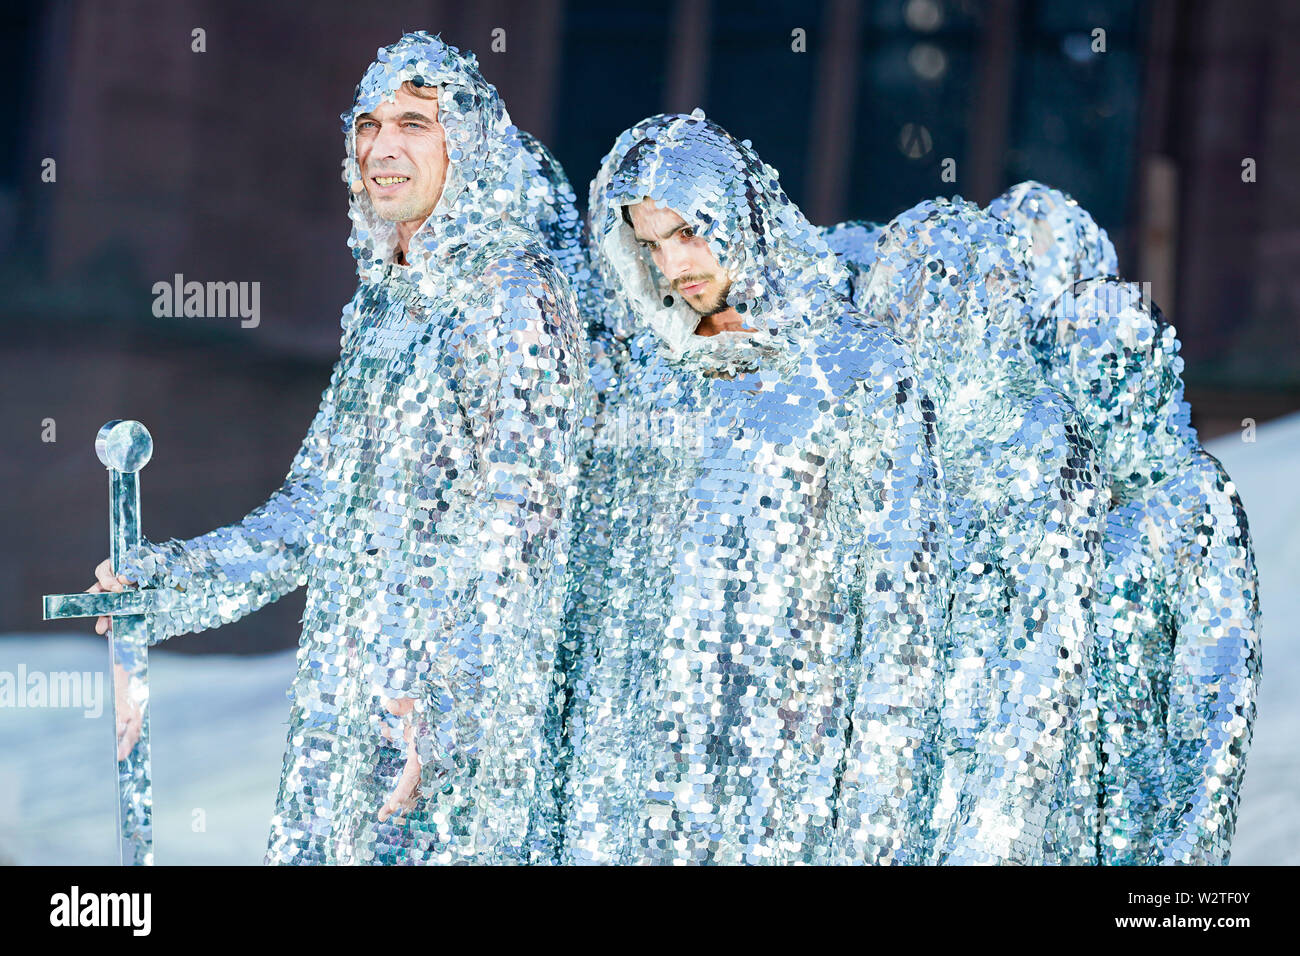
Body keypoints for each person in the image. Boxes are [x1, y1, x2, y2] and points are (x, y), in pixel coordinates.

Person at [86, 31, 589, 864]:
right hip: (339, 705)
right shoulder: (381, 309)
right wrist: (174, 582)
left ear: (469, 145)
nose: (381, 146)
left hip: (436, 732)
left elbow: (524, 535)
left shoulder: (515, 296)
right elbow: (314, 508)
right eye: (368, 124)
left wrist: (450, 709)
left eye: (415, 124)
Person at [557, 110, 947, 865]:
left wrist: (872, 827)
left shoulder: (857, 368)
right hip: (632, 791)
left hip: (785, 792)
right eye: (651, 244)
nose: (675, 265)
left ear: (739, 215)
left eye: (689, 232)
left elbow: (901, 611)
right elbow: (603, 602)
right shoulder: (647, 384)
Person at [856, 198, 1106, 864]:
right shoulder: (886, 425)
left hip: (974, 792)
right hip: (876, 787)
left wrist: (994, 831)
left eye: (932, 289)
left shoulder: (1042, 438)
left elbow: (1045, 658)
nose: (910, 314)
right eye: (898, 290)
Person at [1030, 277, 1261, 864]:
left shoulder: (1195, 498)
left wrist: (1182, 861)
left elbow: (1216, 703)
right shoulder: (1037, 497)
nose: (1098, 388)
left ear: (1151, 369)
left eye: (1116, 364)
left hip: (1141, 835)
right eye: (1075, 365)